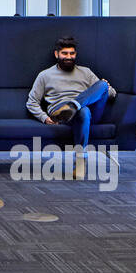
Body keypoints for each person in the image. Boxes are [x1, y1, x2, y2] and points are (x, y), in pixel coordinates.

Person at [26, 35, 115, 176]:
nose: (69, 57)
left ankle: (74, 105)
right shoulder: (45, 75)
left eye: (72, 53)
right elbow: (32, 102)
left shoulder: (86, 72)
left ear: (76, 54)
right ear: (57, 54)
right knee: (83, 111)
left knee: (100, 87)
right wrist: (44, 118)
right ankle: (80, 162)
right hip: (60, 113)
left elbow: (111, 93)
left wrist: (105, 87)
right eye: (65, 53)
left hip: (90, 112)